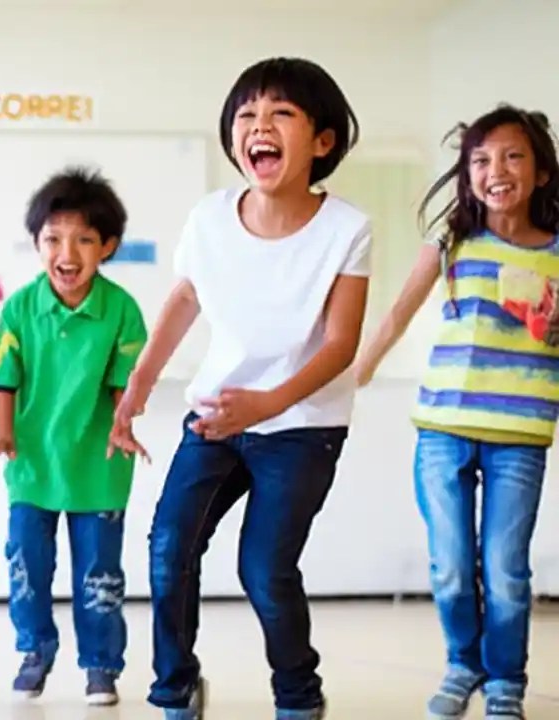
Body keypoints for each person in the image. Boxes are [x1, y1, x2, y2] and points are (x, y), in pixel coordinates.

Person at [110, 57, 369, 720]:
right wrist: (136, 387)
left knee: (265, 570)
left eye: (281, 113)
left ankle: (298, 696)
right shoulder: (210, 217)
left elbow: (340, 345)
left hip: (304, 426)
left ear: (323, 140)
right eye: (246, 115)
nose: (259, 125)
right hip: (218, 416)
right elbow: (183, 298)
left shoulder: (347, 229)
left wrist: (269, 403)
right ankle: (175, 691)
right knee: (169, 548)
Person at [354, 105, 559, 720]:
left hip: (519, 434)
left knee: (503, 569)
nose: (495, 170)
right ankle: (461, 664)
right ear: (467, 174)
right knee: (449, 566)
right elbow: (396, 313)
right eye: (480, 160)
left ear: (542, 172)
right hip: (443, 427)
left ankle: (505, 682)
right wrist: (349, 378)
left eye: (512, 156)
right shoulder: (453, 238)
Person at [0, 167, 148, 706]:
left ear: (108, 247)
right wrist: (3, 437)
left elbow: (126, 384)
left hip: (99, 466)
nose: (66, 253)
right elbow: (4, 377)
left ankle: (101, 666)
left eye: (83, 240)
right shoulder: (19, 309)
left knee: (100, 576)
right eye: (53, 239)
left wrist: (123, 427)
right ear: (37, 243)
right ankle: (35, 650)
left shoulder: (122, 310)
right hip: (32, 466)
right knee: (27, 567)